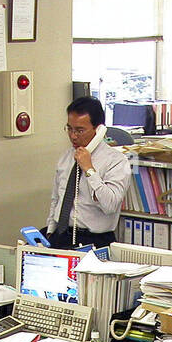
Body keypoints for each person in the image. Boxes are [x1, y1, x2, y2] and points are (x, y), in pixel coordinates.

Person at [45, 95, 131, 250]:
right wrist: (50, 232)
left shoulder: (117, 161)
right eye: (69, 129)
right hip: (61, 235)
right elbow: (56, 199)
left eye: (79, 130)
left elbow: (110, 205)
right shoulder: (66, 157)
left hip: (94, 240)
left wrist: (89, 170)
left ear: (99, 130)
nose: (73, 136)